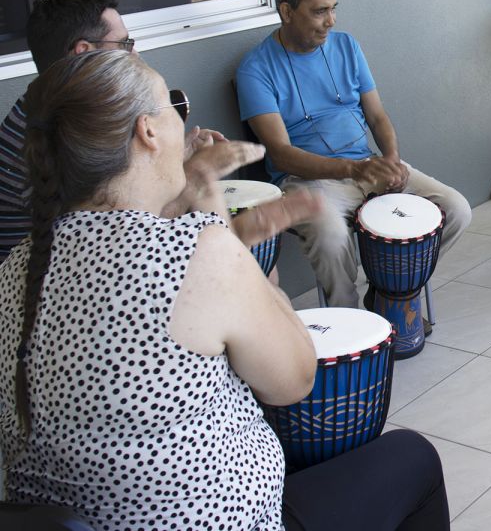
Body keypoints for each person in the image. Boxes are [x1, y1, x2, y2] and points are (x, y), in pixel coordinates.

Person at [0, 50, 451, 530]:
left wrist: (219, 242)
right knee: (412, 457)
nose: (182, 120)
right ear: (147, 132)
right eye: (175, 105)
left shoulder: (18, 265)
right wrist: (224, 237)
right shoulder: (194, 252)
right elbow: (293, 381)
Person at [237, 0, 472, 308]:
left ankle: (389, 292)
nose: (331, 21)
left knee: (456, 210)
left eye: (334, 9)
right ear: (286, 12)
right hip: (306, 182)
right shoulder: (256, 69)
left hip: (367, 166)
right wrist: (351, 170)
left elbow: (377, 116)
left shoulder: (346, 46)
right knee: (331, 237)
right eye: (320, 11)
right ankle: (349, 318)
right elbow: (281, 153)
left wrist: (391, 161)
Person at [0, 0, 293, 263]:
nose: (135, 55)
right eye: (125, 44)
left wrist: (179, 154)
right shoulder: (49, 138)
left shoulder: (55, 113)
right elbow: (124, 237)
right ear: (83, 51)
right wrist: (194, 173)